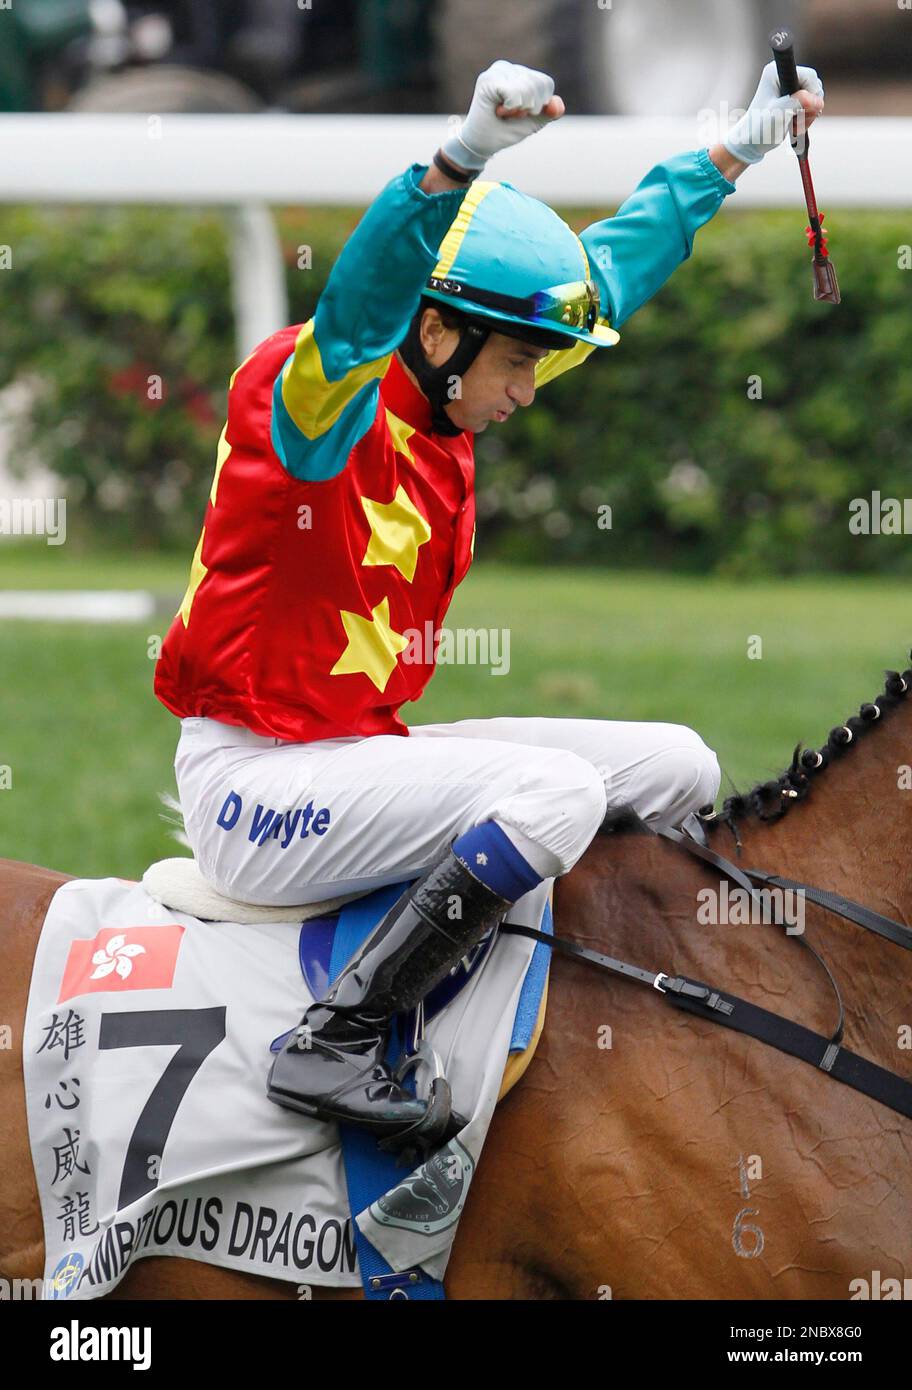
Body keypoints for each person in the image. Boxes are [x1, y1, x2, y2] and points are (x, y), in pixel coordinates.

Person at [154, 58, 825, 1150]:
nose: (530, 388)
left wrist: (737, 147)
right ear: (436, 336)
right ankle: (339, 1036)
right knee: (553, 792)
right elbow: (355, 308)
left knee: (681, 764)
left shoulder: (454, 387)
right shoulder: (318, 403)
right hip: (254, 792)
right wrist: (455, 164)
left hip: (352, 755)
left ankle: (605, 1007)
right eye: (520, 363)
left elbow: (612, 271)